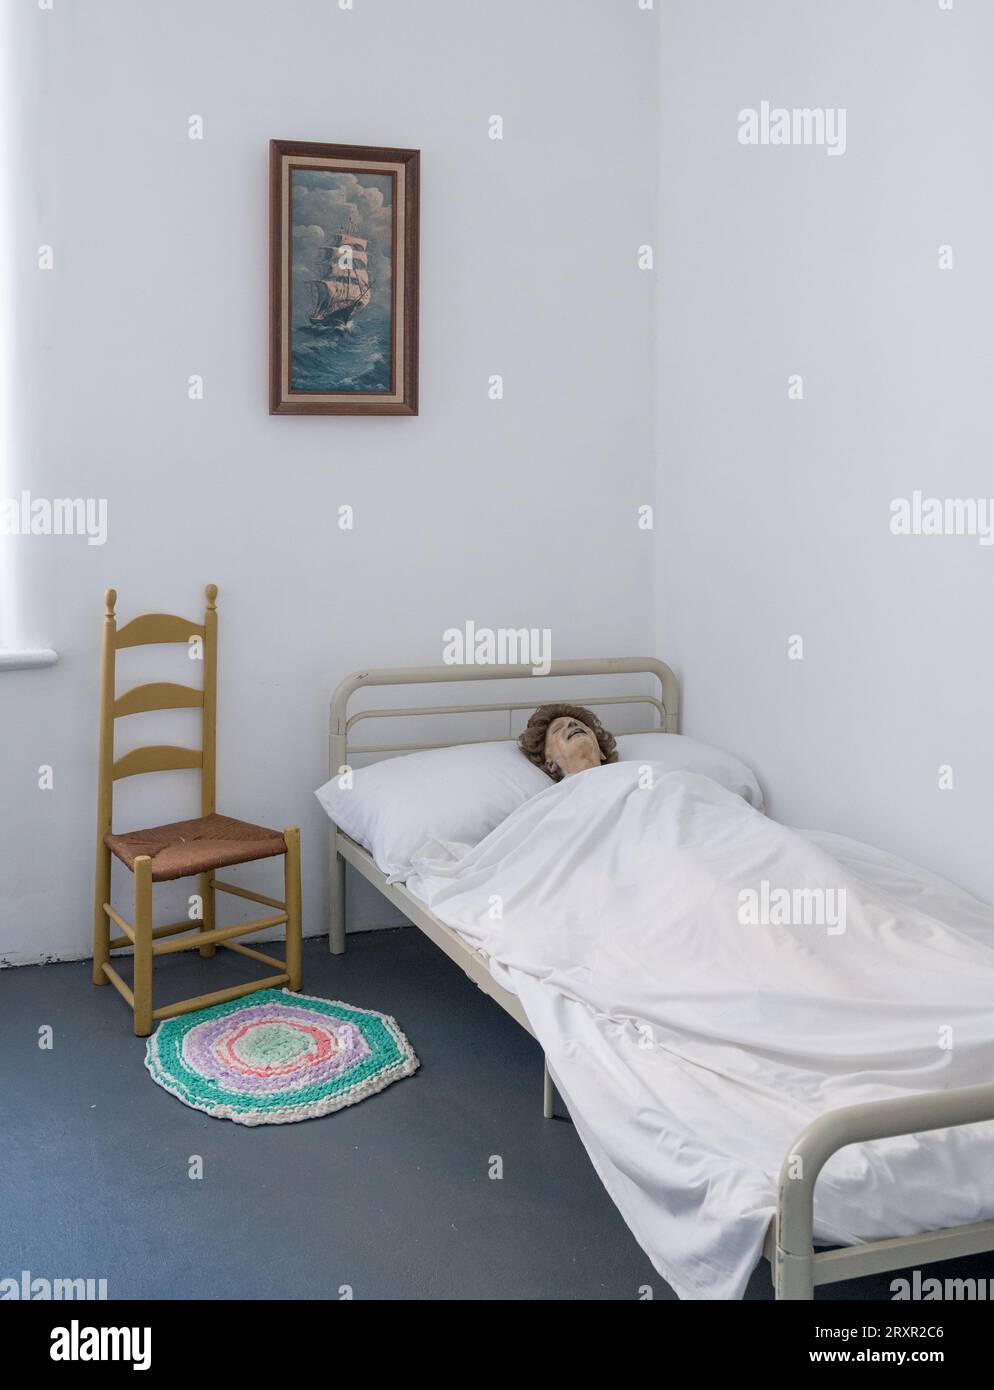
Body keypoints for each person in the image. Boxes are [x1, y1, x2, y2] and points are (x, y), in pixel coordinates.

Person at [518, 703, 617, 782]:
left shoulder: (629, 773)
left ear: (601, 753)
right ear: (550, 764)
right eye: (558, 728)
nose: (572, 723)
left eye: (580, 725)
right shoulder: (551, 803)